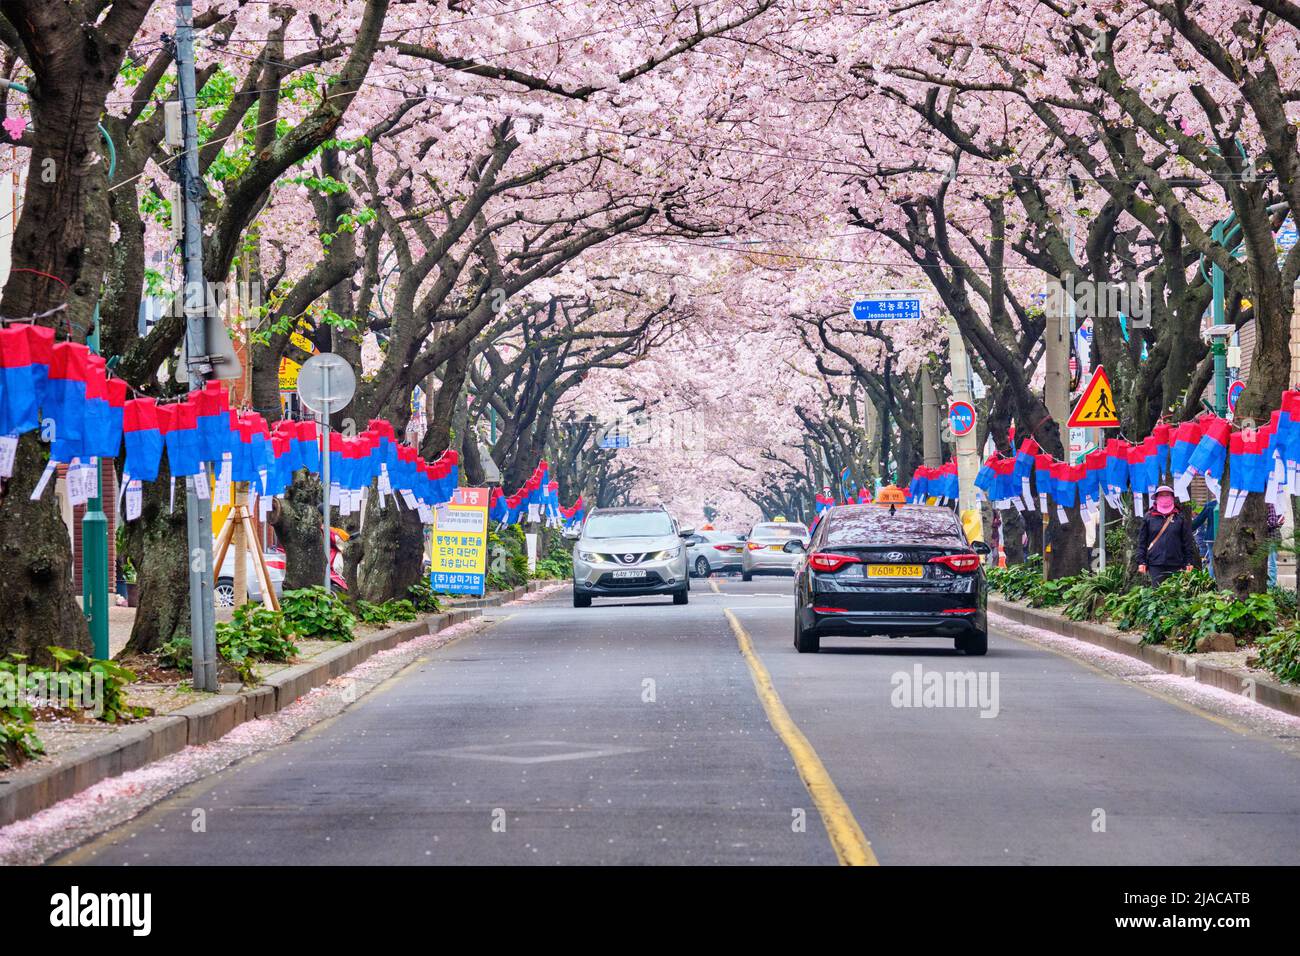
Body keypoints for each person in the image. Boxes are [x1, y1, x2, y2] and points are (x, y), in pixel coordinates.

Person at [1137, 485, 1199, 586]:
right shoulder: (1149, 517)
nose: (1164, 497)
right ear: (1156, 498)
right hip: (1155, 563)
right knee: (1157, 593)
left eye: (1167, 495)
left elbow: (1187, 542)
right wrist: (1141, 561)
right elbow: (1142, 542)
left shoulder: (1180, 518)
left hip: (1176, 563)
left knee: (1175, 595)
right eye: (1161, 495)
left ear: (1172, 498)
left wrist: (1189, 562)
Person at [1191, 497, 1217, 579]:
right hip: (1227, 536)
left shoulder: (1210, 505)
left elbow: (1199, 520)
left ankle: (1212, 581)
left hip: (1211, 537)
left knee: (1213, 562)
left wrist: (1188, 529)